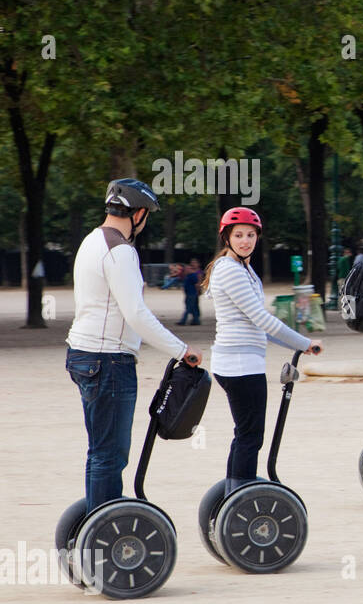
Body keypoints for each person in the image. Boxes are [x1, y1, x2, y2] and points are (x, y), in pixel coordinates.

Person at [65, 179, 202, 511]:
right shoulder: (121, 250)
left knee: (100, 450)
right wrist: (182, 350)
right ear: (138, 213)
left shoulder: (91, 241)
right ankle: (105, 529)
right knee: (111, 453)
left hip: (83, 355)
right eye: (147, 215)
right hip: (108, 360)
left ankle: (98, 517)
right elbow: (137, 314)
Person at [202, 208, 323, 493]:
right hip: (240, 364)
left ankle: (236, 489)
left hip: (241, 361)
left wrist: (299, 346)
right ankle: (241, 492)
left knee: (245, 433)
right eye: (239, 235)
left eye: (251, 235)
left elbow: (260, 328)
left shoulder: (243, 268)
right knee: (250, 435)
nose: (245, 240)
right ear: (227, 238)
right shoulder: (230, 270)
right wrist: (304, 343)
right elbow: (264, 320)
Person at [178, 257, 202, 325]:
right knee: (193, 307)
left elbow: (198, 283)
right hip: (189, 293)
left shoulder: (196, 273)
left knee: (190, 307)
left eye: (194, 262)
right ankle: (196, 320)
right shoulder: (189, 274)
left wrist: (198, 291)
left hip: (192, 293)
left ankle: (184, 320)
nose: (193, 264)